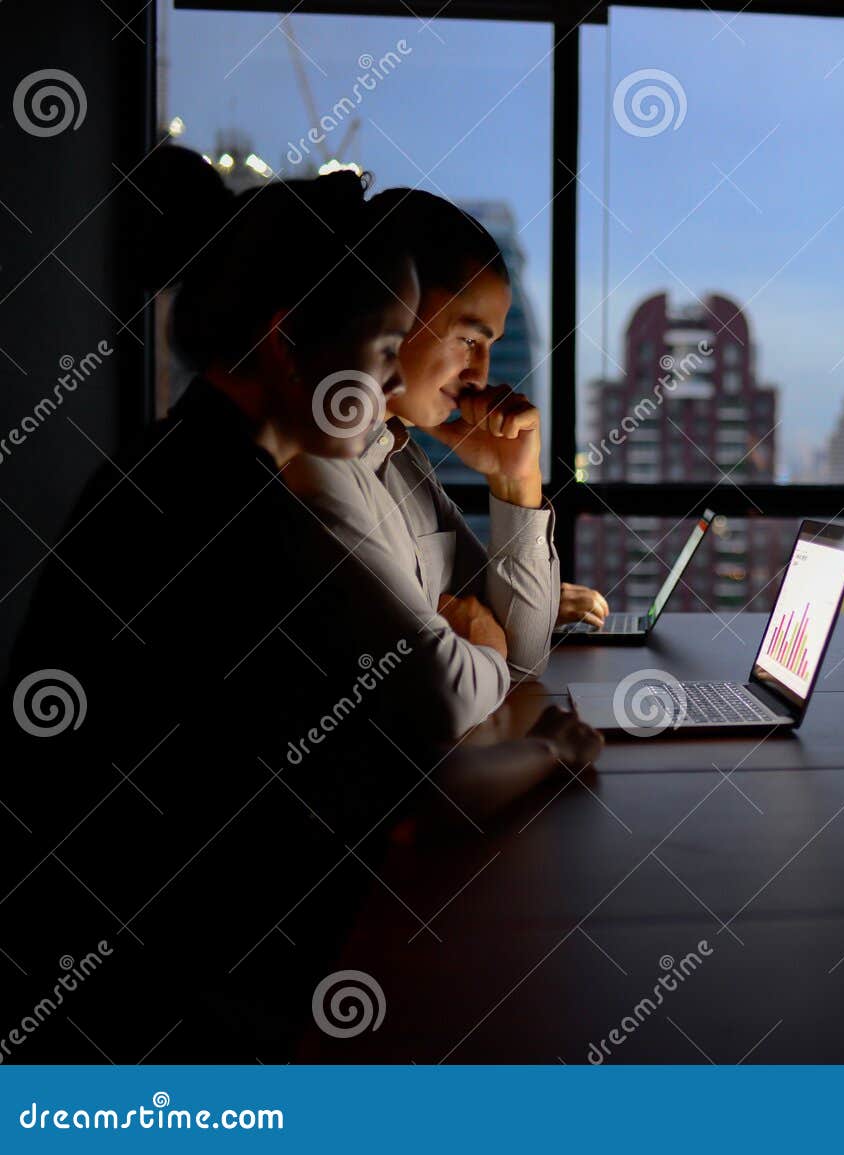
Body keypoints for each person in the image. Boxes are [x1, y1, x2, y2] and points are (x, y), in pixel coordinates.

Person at [4, 156, 599, 1062]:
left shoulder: (201, 463)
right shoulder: (239, 508)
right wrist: (552, 747)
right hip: (148, 1019)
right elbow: (417, 783)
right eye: (382, 349)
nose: (397, 383)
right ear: (288, 342)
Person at [282, 189, 608, 729]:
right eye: (466, 340)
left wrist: (516, 478)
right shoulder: (315, 464)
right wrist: (481, 641)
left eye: (490, 346)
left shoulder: (402, 461)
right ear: (394, 307)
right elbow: (444, 693)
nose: (480, 375)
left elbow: (525, 656)